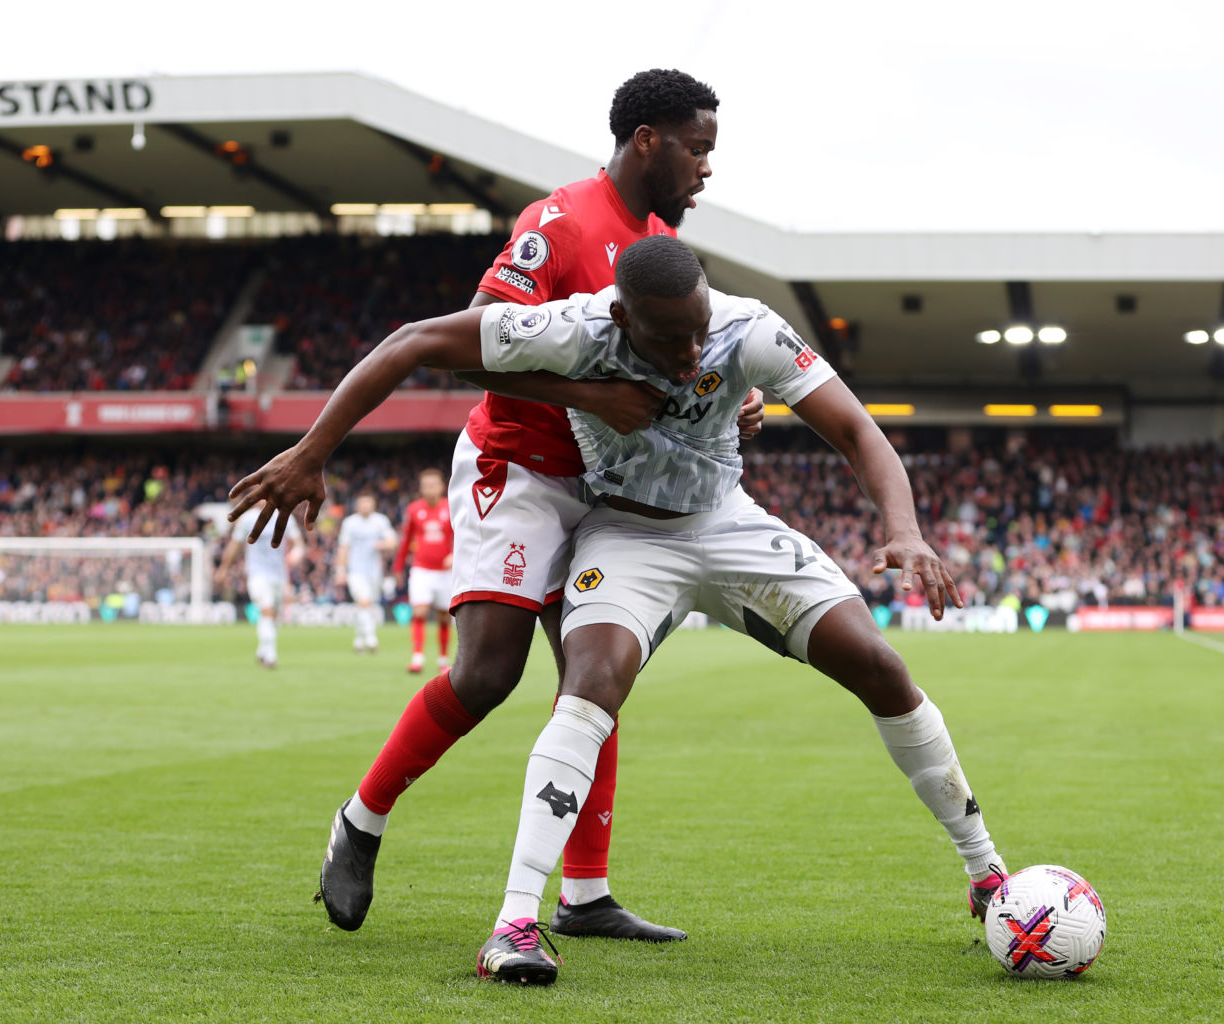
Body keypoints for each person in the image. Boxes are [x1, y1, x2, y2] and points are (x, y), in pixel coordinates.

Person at [224, 235, 1010, 988]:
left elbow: (856, 431)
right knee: (588, 681)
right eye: (670, 340)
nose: (692, 353)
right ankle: (514, 923)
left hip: (729, 521)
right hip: (628, 533)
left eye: (697, 330)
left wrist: (904, 533)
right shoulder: (572, 330)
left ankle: (986, 873)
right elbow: (414, 342)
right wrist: (312, 450)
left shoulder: (748, 328)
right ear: (621, 319)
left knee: (877, 663)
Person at [304, 68, 759, 942]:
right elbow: (469, 348)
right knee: (487, 675)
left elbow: (680, 356)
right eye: (697, 148)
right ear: (648, 141)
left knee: (599, 670)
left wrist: (729, 395)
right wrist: (589, 401)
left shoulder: (660, 241)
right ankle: (361, 819)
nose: (707, 167)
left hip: (609, 488)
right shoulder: (560, 224)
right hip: (518, 469)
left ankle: (584, 895)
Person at [216, 500, 305, 668]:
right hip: (257, 574)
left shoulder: (285, 516)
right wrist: (223, 568)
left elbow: (299, 544)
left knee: (273, 616)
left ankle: (263, 650)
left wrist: (297, 553)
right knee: (267, 610)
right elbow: (234, 545)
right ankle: (270, 655)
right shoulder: (248, 519)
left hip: (279, 575)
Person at [394, 468, 456, 674]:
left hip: (445, 572)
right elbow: (405, 541)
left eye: (433, 485)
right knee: (419, 611)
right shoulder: (413, 510)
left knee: (443, 616)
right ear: (421, 488)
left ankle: (443, 660)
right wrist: (398, 567)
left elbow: (462, 536)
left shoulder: (451, 508)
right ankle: (417, 657)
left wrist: (455, 554)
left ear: (441, 486)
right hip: (421, 569)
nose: (430, 489)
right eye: (426, 485)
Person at [336, 493, 397, 654]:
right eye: (362, 503)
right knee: (364, 602)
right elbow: (344, 547)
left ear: (373, 505)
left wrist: (382, 544)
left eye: (368, 503)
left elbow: (393, 541)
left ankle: (358, 639)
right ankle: (371, 638)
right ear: (357, 505)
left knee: (365, 605)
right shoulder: (350, 523)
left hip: (374, 572)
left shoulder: (380, 521)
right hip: (355, 570)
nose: (365, 506)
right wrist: (341, 570)